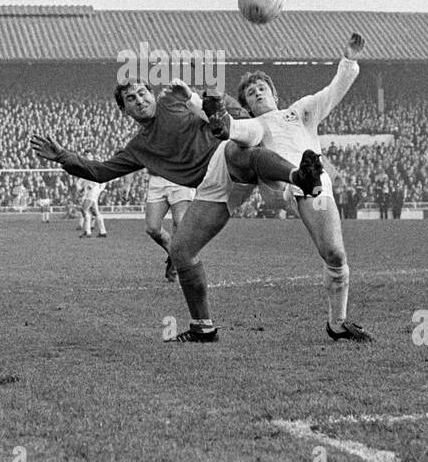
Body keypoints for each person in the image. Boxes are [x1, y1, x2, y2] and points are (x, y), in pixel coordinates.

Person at [30, 79, 324, 343]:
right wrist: (63, 156)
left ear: (153, 94)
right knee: (182, 251)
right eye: (131, 99)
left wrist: (235, 117)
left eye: (142, 92)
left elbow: (210, 101)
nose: (139, 100)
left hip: (225, 154)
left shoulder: (172, 101)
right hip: (211, 186)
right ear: (124, 111)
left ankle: (300, 177)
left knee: (237, 151)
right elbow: (101, 171)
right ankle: (202, 328)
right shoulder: (138, 148)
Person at [213, 32, 373, 342]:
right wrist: (220, 121)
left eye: (262, 88)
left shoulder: (299, 111)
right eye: (250, 92)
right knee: (262, 158)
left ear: (273, 93)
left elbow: (333, 91)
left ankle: (337, 324)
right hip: (279, 185)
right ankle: (297, 175)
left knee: (335, 254)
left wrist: (349, 59)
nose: (257, 93)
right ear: (245, 103)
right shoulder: (255, 124)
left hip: (316, 187)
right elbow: (235, 129)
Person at [146, 173, 194, 280]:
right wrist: (127, 183)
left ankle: (175, 267)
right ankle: (174, 255)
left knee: (180, 223)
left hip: (182, 178)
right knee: (152, 228)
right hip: (157, 179)